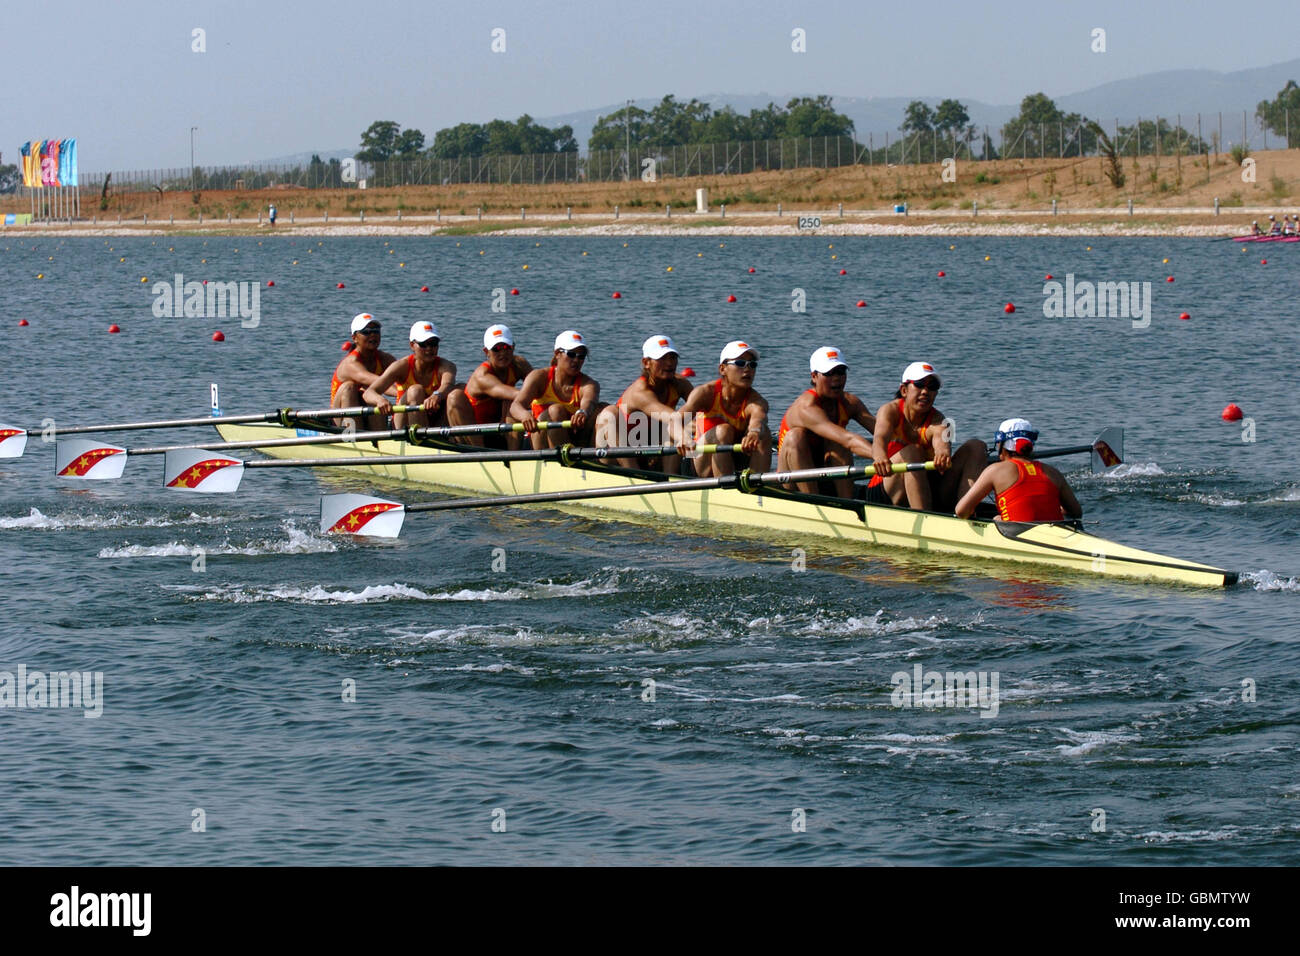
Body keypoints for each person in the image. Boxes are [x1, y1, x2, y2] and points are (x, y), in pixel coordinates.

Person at [868, 361, 987, 512]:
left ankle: (967, 513)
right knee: (912, 451)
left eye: (932, 387)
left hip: (930, 489)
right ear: (904, 390)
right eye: (919, 384)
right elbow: (879, 439)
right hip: (886, 488)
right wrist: (879, 457)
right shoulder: (889, 411)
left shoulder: (939, 420)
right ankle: (925, 518)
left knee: (976, 446)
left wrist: (942, 453)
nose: (925, 391)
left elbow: (942, 444)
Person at [775, 346, 876, 497]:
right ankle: (813, 502)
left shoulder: (850, 402)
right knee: (795, 436)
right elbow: (848, 440)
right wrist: (880, 456)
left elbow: (884, 433)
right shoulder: (806, 406)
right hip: (791, 482)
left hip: (826, 475)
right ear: (814, 376)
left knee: (837, 442)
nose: (836, 378)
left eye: (840, 372)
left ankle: (848, 506)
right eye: (829, 373)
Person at [594, 334, 694, 472]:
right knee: (609, 413)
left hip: (649, 451)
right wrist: (684, 436)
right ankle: (636, 476)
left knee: (680, 425)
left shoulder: (680, 384)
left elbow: (703, 409)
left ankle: (670, 481)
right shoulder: (640, 392)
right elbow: (671, 417)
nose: (669, 363)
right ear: (646, 363)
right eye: (662, 358)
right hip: (616, 457)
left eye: (673, 357)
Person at [955, 418, 1082, 522]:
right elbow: (1076, 512)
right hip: (1056, 534)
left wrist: (997, 519)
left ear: (1002, 445)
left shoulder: (994, 471)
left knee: (997, 518)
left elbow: (961, 511)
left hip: (1015, 534)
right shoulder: (1053, 472)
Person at [678, 340, 771, 477]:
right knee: (723, 430)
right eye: (740, 363)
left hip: (734, 459)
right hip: (698, 464)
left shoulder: (756, 401)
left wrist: (754, 433)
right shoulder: (705, 393)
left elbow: (759, 420)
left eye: (752, 364)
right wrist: (683, 438)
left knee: (764, 434)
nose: (747, 369)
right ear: (722, 369)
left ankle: (757, 489)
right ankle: (727, 490)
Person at [445, 324, 532, 447]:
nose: (503, 353)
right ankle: (479, 453)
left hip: (500, 431)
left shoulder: (519, 364)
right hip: (476, 436)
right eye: (496, 349)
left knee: (513, 403)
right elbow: (512, 393)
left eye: (506, 347)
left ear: (513, 347)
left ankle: (514, 456)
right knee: (455, 396)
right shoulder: (482, 375)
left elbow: (539, 385)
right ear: (486, 352)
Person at [510, 330, 601, 449]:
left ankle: (599, 460)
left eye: (581, 356)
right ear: (557, 353)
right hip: (537, 442)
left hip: (571, 441)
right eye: (571, 354)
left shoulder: (589, 384)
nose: (576, 360)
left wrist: (582, 412)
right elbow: (515, 406)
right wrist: (525, 416)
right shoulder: (539, 377)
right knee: (556, 410)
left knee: (603, 409)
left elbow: (589, 401)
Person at [364, 321, 458, 429]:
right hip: (403, 423)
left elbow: (448, 384)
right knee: (416, 390)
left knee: (459, 389)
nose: (429, 349)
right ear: (412, 345)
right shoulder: (401, 366)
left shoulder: (447, 366)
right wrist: (380, 400)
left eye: (433, 343)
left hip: (434, 421)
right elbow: (369, 393)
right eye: (423, 344)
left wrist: (437, 395)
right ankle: (419, 438)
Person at [330, 313, 397, 430]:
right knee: (350, 387)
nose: (373, 335)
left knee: (371, 393)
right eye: (366, 332)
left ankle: (380, 440)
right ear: (354, 338)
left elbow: (404, 376)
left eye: (376, 331)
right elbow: (378, 382)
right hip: (340, 419)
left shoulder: (385, 359)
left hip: (366, 413)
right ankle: (352, 437)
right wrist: (401, 392)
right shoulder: (350, 363)